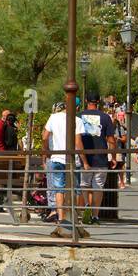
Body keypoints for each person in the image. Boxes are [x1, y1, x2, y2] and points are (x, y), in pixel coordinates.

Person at [42, 100, 89, 239]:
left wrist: (47, 151)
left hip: (56, 158)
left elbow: (44, 136)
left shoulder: (53, 117)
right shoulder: (77, 120)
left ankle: (62, 219)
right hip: (71, 160)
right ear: (78, 107)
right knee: (76, 189)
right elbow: (78, 143)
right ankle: (75, 218)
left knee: (59, 189)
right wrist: (85, 161)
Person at [79, 95, 116, 223]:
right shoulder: (105, 117)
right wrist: (114, 157)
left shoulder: (79, 116)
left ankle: (86, 205)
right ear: (98, 102)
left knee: (84, 184)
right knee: (98, 187)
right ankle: (95, 215)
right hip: (101, 157)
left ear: (86, 101)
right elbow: (111, 140)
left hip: (84, 158)